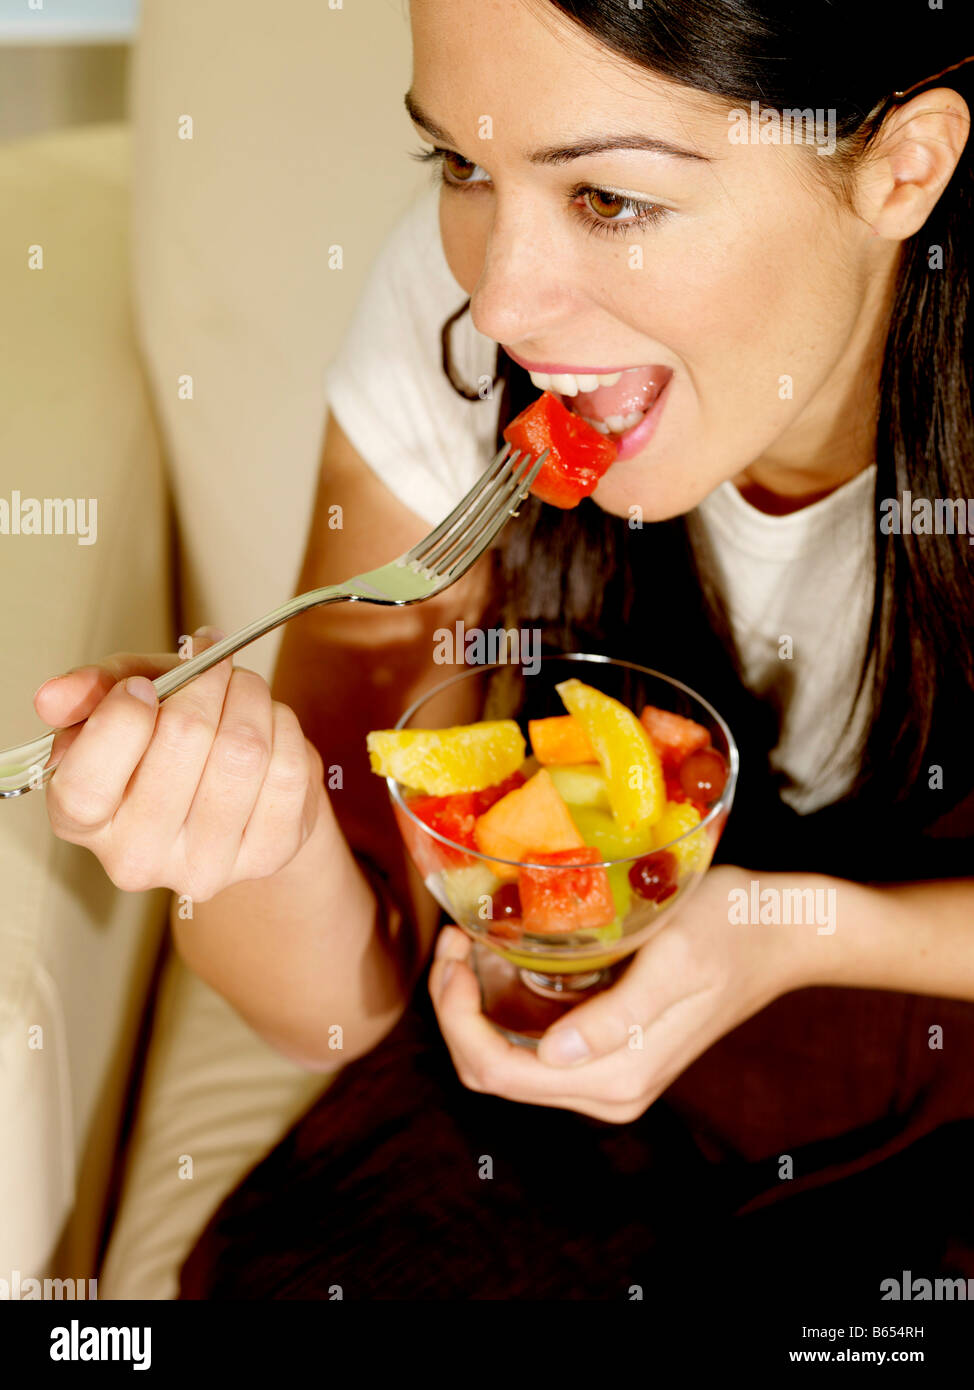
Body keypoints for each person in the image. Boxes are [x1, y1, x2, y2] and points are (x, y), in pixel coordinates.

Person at [35, 0, 974, 1301]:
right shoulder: (449, 318)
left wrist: (792, 927)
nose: (501, 296)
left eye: (609, 197)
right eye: (461, 167)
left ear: (900, 168)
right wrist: (260, 842)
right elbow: (336, 1009)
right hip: (577, 1093)